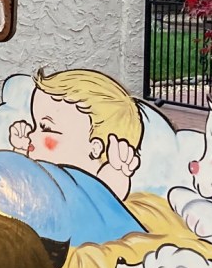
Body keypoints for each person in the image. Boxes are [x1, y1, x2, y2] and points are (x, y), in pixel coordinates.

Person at [9, 68, 142, 202]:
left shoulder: (86, 190)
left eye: (46, 128)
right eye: (35, 126)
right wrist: (20, 151)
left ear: (95, 148)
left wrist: (117, 173)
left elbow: (105, 200)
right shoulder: (44, 176)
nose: (31, 134)